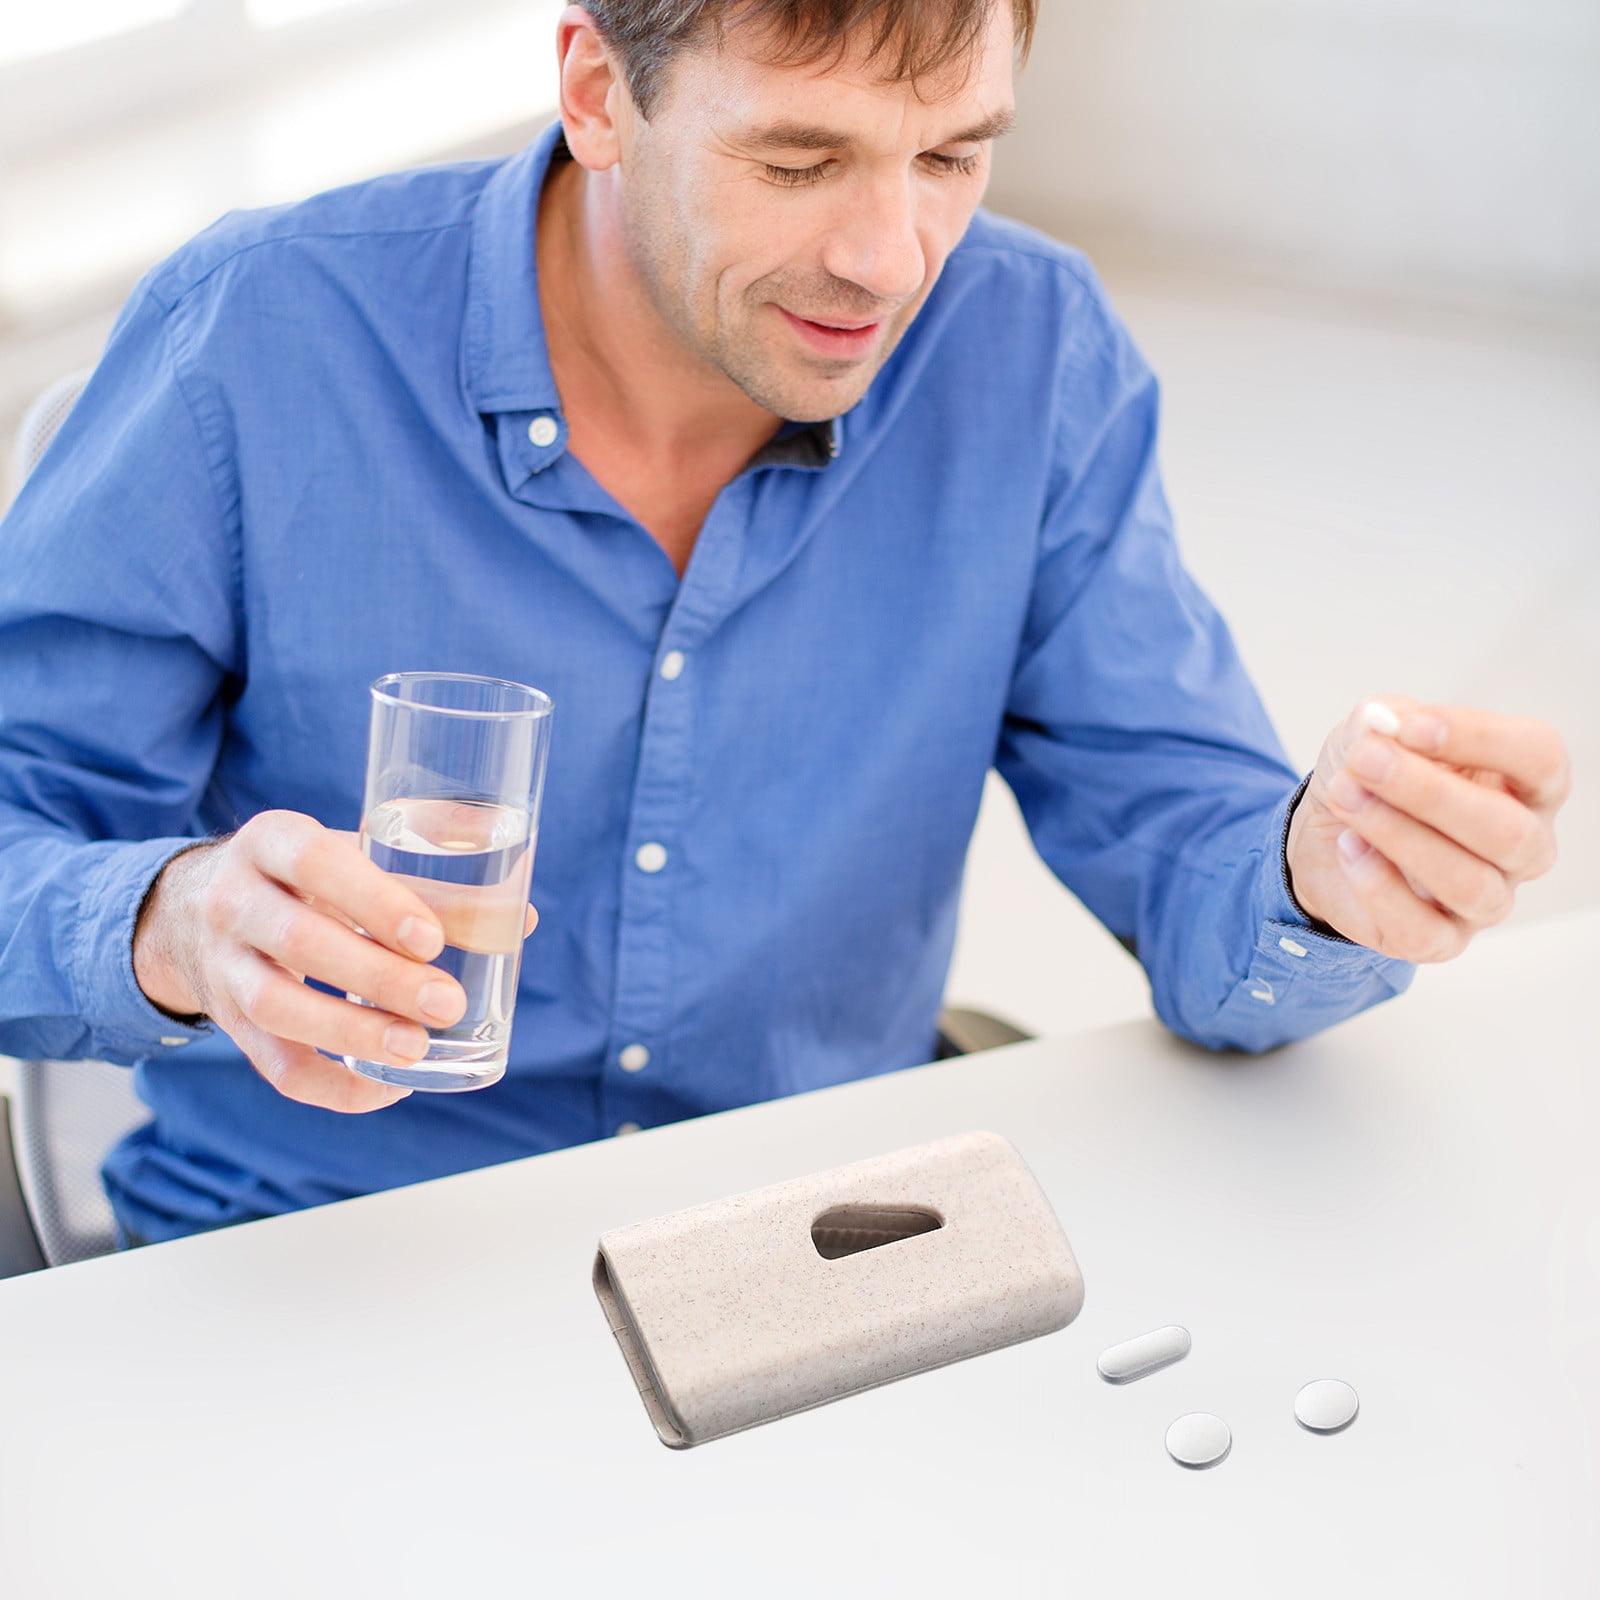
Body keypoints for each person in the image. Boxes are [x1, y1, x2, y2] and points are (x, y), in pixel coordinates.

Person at [0, 0, 1569, 1244]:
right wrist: (178, 921)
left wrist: (1321, 874)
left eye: (953, 156)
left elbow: (1199, 861)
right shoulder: (266, 337)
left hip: (809, 1259)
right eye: (801, 162)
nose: (892, 261)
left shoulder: (1031, 351)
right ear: (600, 92)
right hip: (324, 1247)